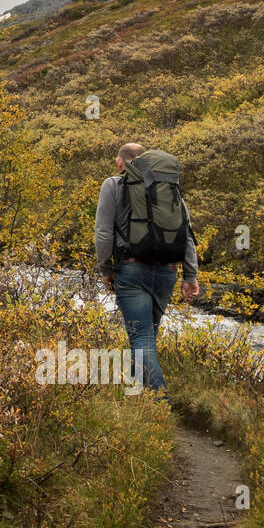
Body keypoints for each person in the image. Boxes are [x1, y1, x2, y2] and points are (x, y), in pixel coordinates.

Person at [94, 142, 200, 393]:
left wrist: (105, 269)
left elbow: (103, 232)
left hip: (131, 271)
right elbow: (186, 233)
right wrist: (190, 276)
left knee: (140, 337)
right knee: (148, 336)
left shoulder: (114, 185)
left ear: (122, 163)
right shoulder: (170, 189)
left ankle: (160, 403)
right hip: (166, 272)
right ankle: (139, 396)